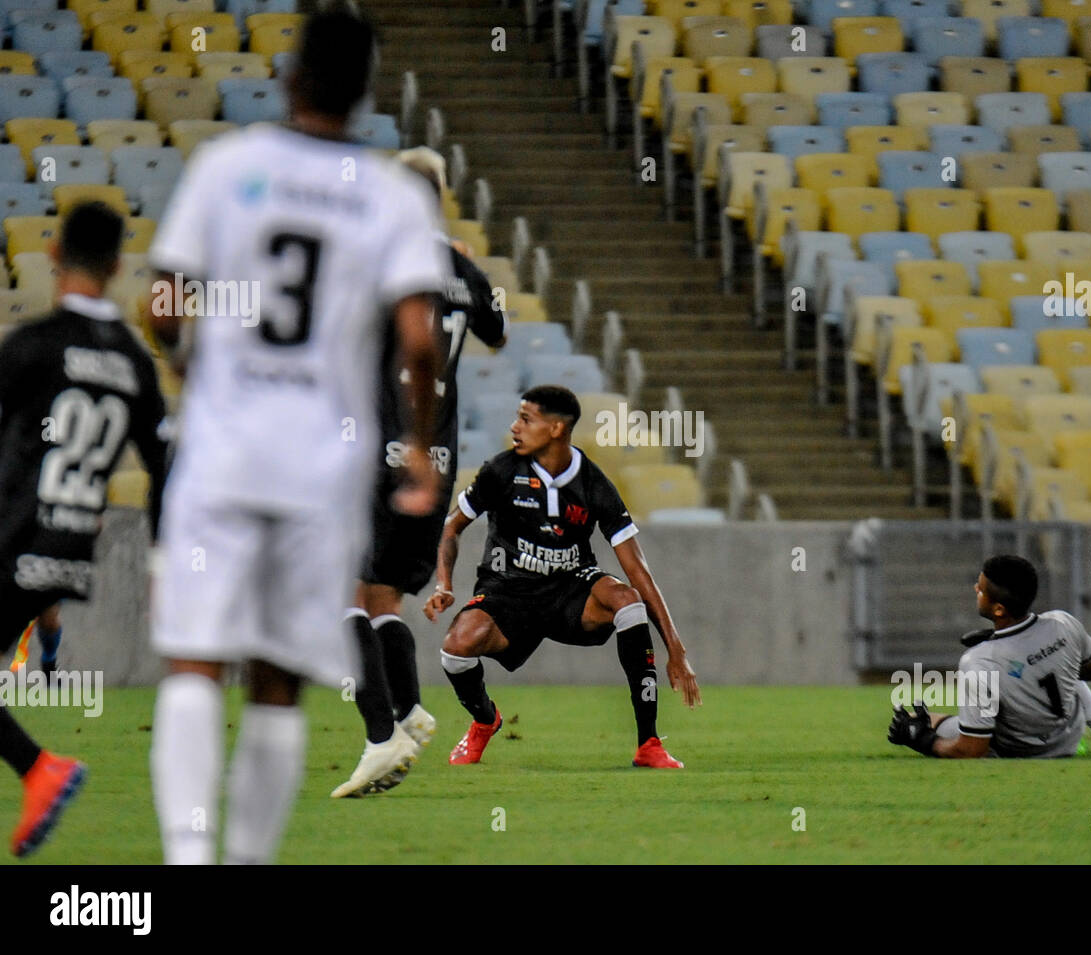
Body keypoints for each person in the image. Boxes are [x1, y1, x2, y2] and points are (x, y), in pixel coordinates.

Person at [147, 6, 448, 863]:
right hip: (322, 467)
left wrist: (192, 364)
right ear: (364, 95)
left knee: (195, 661)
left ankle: (187, 854)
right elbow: (421, 338)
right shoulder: (389, 195)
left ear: (289, 76)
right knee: (278, 681)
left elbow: (164, 301)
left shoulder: (226, 165)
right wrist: (422, 443)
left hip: (221, 454)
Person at [332, 147, 507, 798]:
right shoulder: (461, 267)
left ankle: (383, 736)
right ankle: (409, 710)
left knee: (343, 596)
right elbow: (498, 332)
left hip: (383, 451)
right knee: (383, 598)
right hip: (438, 459)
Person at [0, 201, 170, 856]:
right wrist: (161, 563)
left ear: (53, 256)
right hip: (70, 554)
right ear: (119, 267)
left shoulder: (34, 345)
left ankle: (42, 769)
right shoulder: (132, 360)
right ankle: (38, 770)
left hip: (14, 538)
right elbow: (164, 469)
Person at [424, 385, 701, 769]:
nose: (514, 427)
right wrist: (444, 584)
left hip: (570, 590)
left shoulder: (593, 483)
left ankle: (648, 743)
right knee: (456, 646)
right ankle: (485, 720)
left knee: (628, 601)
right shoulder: (500, 472)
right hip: (508, 592)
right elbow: (451, 527)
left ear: (556, 429)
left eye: (525, 419)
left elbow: (637, 569)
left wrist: (676, 648)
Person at [888, 554, 1091, 759]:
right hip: (1068, 736)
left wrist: (925, 741)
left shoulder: (980, 661)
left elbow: (972, 749)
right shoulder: (1063, 623)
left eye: (981, 589)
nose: (976, 589)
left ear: (999, 609)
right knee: (1064, 662)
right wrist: (1032, 658)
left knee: (919, 720)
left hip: (1023, 749)